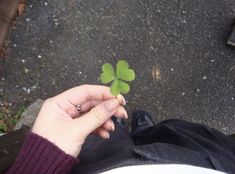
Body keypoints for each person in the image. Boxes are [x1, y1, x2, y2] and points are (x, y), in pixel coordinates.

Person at [6, 85, 235, 174]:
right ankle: (145, 133)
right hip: (212, 160)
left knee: (104, 139)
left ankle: (129, 133)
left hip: (99, 167)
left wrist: (40, 162)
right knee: (171, 133)